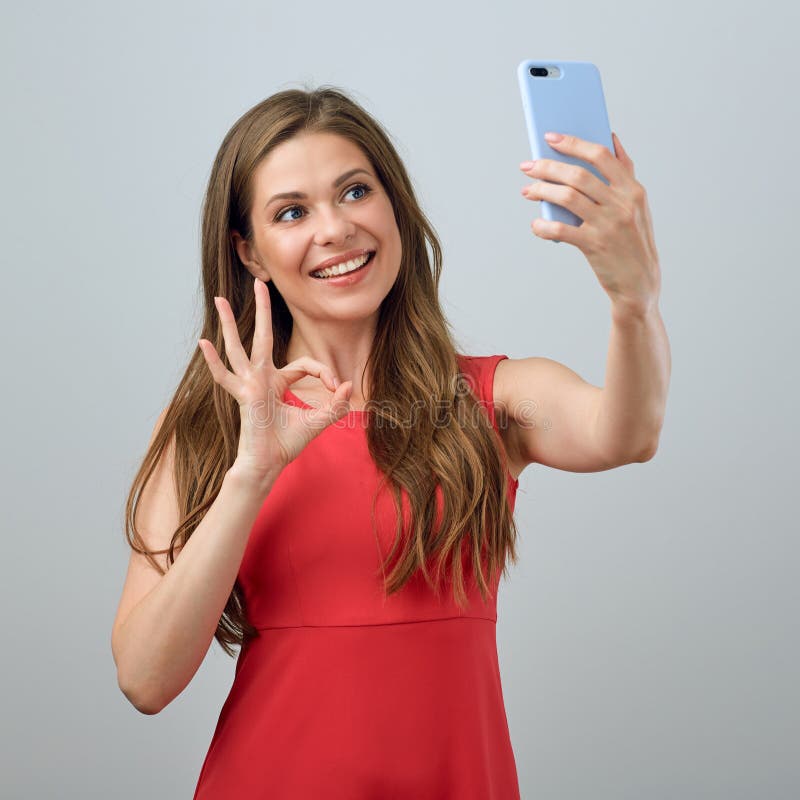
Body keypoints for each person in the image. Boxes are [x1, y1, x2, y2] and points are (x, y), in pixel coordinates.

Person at [111, 85, 668, 799]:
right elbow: (145, 679)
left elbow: (629, 432)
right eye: (292, 212)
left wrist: (634, 304)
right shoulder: (212, 422)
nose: (336, 229)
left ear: (393, 207)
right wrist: (250, 473)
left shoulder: (489, 398)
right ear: (249, 253)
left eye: (354, 192)